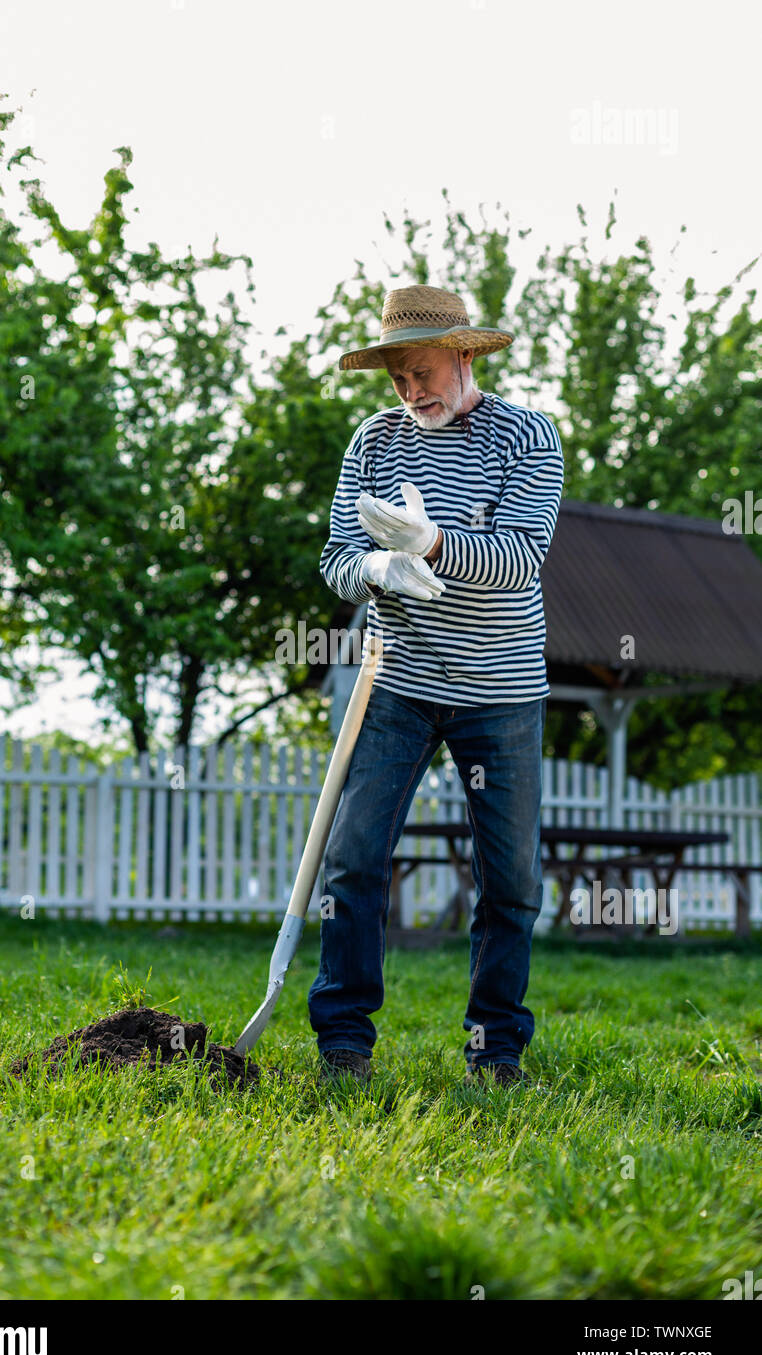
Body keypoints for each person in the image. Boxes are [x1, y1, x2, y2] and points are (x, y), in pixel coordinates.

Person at [309, 284, 564, 1088]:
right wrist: (376, 566)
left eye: (422, 372)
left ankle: (497, 1049)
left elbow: (520, 557)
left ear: (463, 355)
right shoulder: (374, 441)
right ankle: (344, 1042)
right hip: (399, 680)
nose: (413, 393)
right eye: (398, 381)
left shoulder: (527, 435)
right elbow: (336, 560)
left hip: (504, 687)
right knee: (351, 859)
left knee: (510, 881)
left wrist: (433, 543)